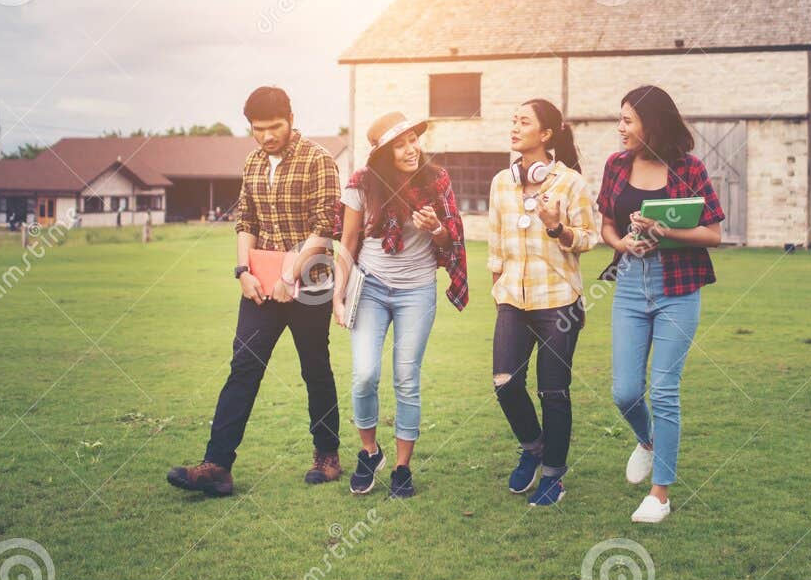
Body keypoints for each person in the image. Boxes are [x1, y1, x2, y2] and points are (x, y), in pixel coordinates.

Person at [167, 86, 343, 496]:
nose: (266, 136)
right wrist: (243, 271)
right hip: (261, 281)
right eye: (258, 129)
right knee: (243, 366)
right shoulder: (252, 161)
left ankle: (327, 455)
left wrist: (290, 277)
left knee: (314, 368)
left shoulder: (319, 160)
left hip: (311, 282)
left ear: (291, 118)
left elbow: (325, 228)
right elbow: (245, 219)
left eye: (274, 127)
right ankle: (217, 466)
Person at [598, 85, 725, 524]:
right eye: (621, 119)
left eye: (628, 120)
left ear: (652, 123)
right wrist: (624, 244)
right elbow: (607, 226)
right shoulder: (616, 166)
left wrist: (662, 231)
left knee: (666, 391)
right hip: (631, 285)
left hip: (679, 287)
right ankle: (647, 441)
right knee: (626, 391)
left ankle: (660, 494)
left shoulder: (689, 169)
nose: (620, 128)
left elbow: (713, 235)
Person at [331, 112, 468, 499]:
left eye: (413, 140)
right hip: (371, 287)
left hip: (417, 290)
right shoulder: (362, 184)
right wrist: (337, 296)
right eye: (400, 144)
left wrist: (436, 229)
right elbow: (349, 240)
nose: (411, 149)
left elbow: (450, 240)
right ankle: (369, 451)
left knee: (406, 379)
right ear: (383, 153)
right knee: (364, 375)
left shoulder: (435, 179)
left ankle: (402, 468)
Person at [487, 98, 598, 507]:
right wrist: (498, 286)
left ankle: (554, 475)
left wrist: (557, 228)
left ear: (547, 134)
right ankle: (532, 446)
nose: (515, 128)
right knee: (506, 384)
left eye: (524, 122)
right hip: (513, 299)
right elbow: (496, 241)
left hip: (558, 303)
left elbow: (589, 238)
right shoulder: (502, 182)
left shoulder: (570, 183)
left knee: (554, 391)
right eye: (512, 120)